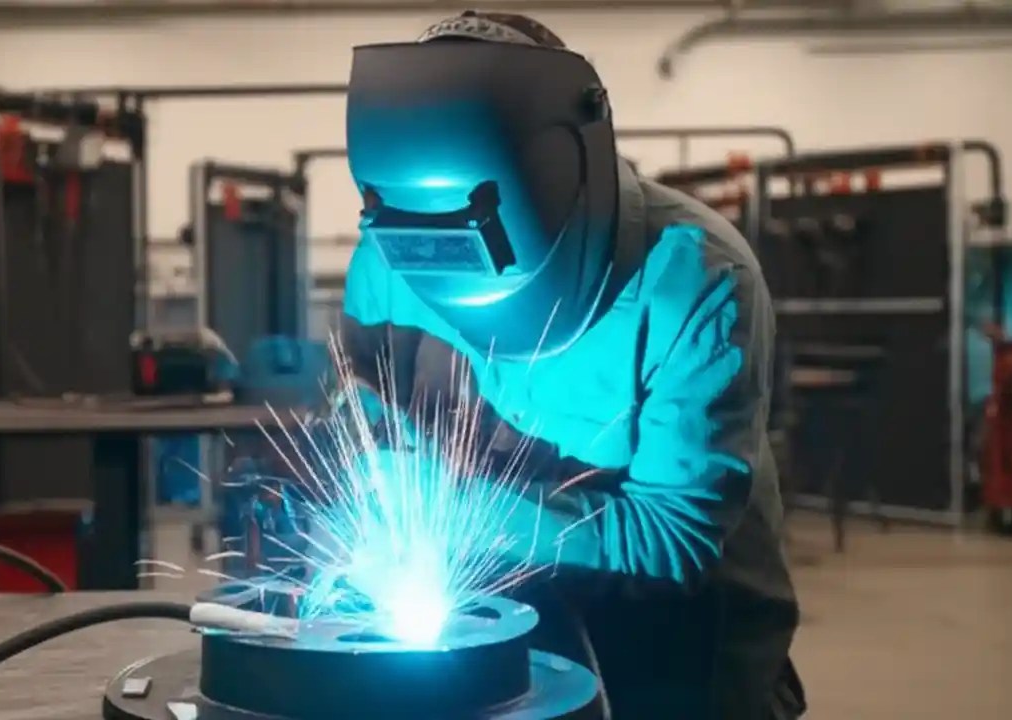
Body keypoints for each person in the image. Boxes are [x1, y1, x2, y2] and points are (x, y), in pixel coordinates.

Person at [338, 12, 805, 719]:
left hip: (677, 661)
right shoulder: (387, 254)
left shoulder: (693, 279)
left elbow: (673, 537)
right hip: (488, 645)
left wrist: (466, 513)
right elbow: (364, 432)